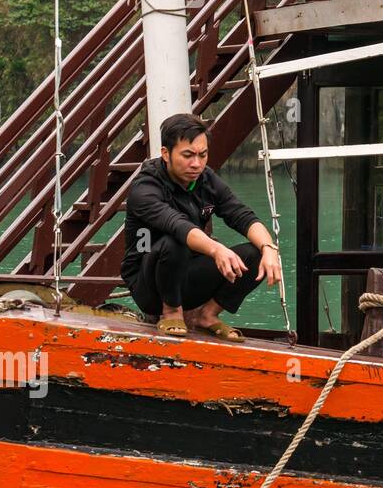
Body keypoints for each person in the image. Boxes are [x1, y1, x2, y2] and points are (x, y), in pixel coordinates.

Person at [121, 112, 283, 342]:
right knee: (174, 240)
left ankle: (206, 315)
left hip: (188, 273)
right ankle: (171, 311)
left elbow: (241, 214)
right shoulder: (145, 188)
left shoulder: (206, 179)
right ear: (166, 154)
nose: (196, 163)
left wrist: (269, 248)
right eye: (188, 155)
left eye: (202, 155)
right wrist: (216, 249)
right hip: (148, 283)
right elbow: (176, 225)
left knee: (254, 254)